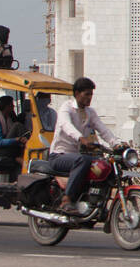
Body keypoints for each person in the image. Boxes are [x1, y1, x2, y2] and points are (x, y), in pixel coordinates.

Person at [49, 77, 117, 214]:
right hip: (59, 156)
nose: (89, 97)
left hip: (76, 156)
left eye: (91, 94)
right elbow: (66, 126)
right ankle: (66, 199)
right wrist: (81, 138)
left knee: (103, 164)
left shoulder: (90, 112)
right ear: (76, 93)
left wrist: (116, 144)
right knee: (83, 160)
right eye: (86, 94)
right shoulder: (66, 108)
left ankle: (96, 202)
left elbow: (102, 129)